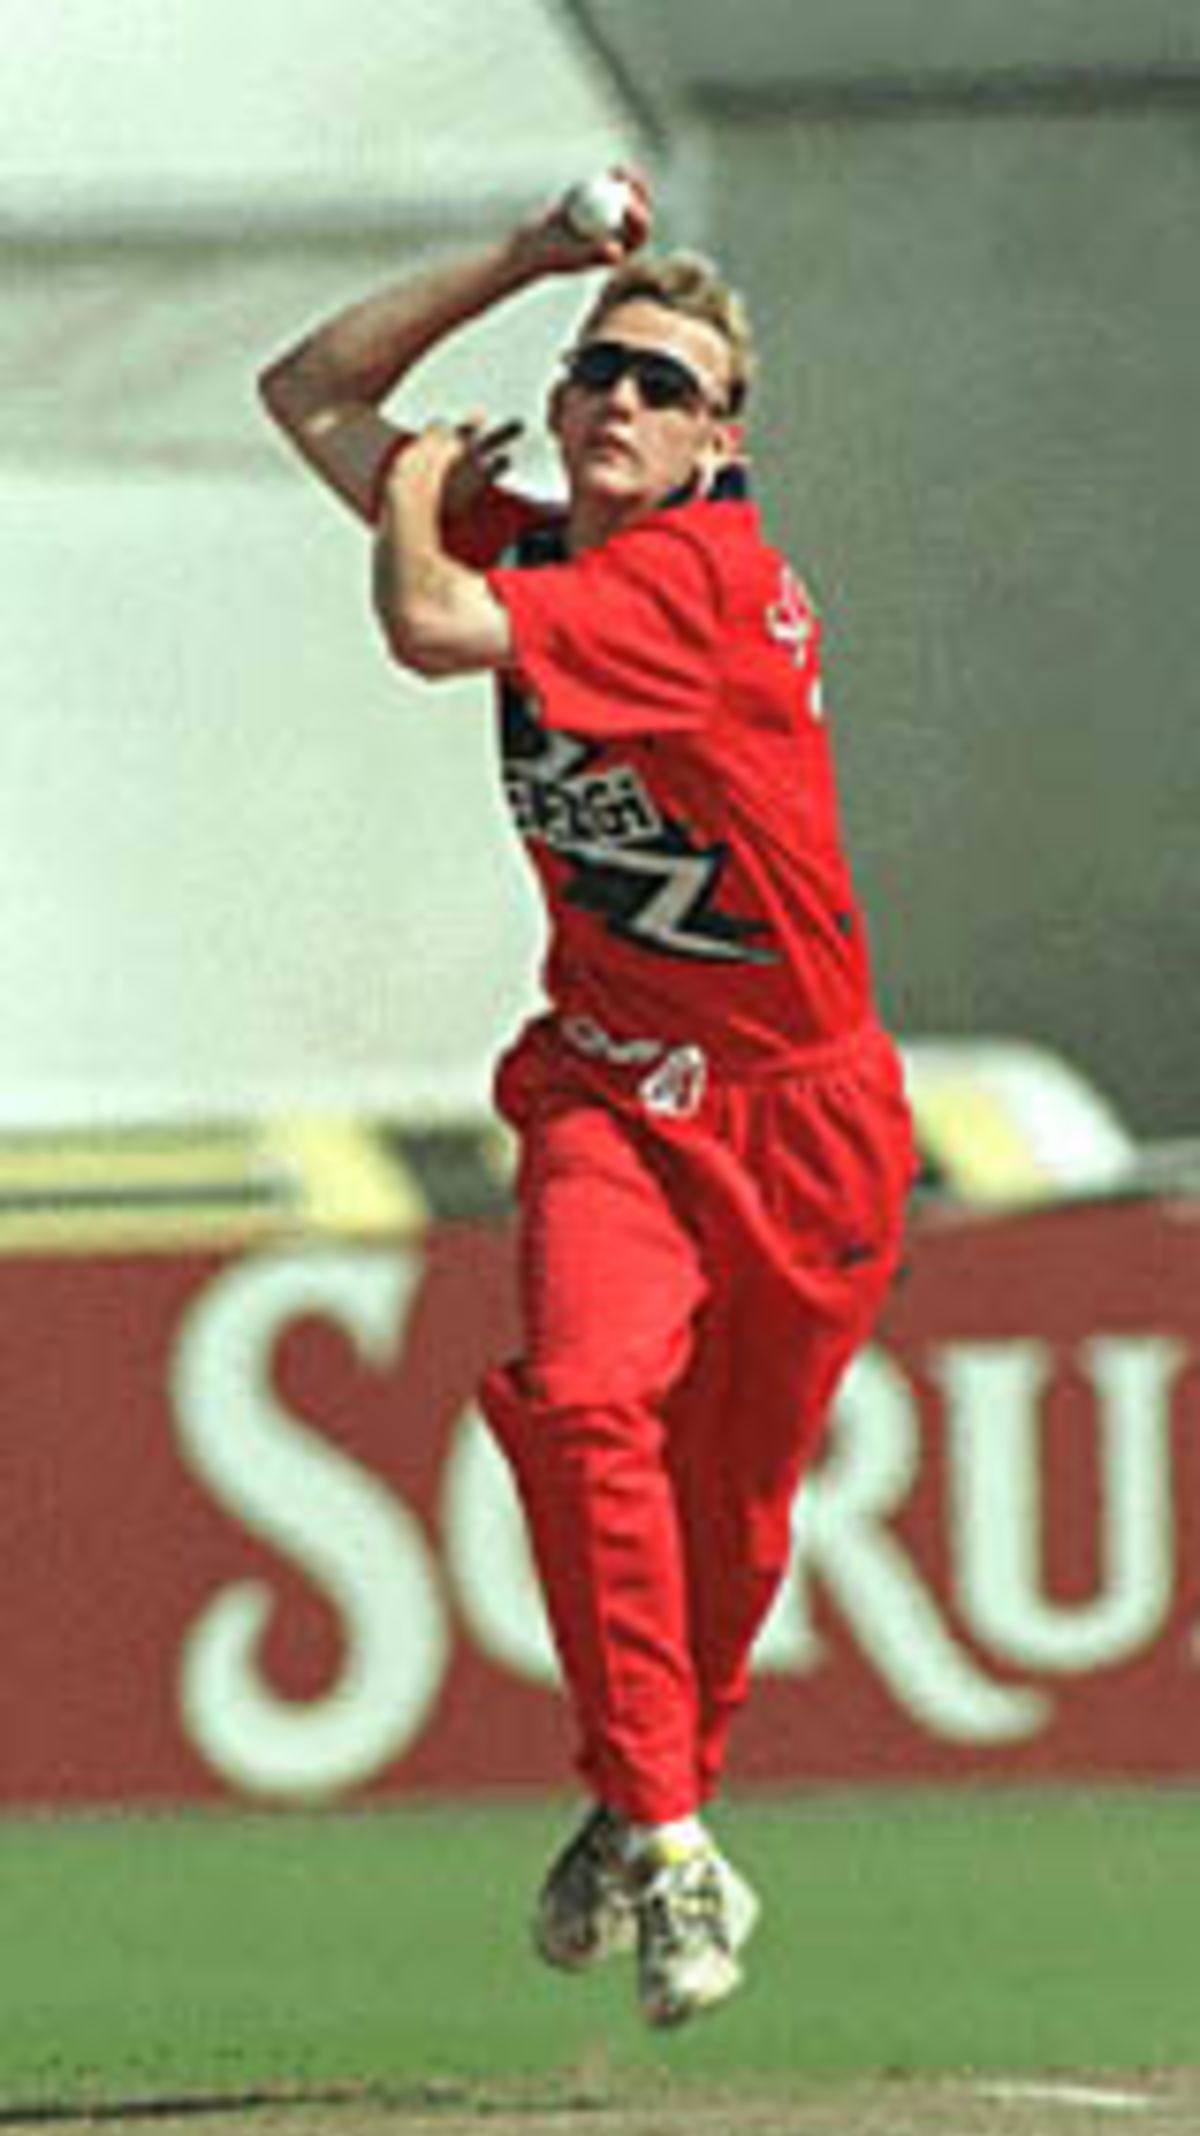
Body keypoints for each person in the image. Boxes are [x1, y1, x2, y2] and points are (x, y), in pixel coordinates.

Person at [258, 170, 915, 2029]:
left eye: (660, 384)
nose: (618, 402)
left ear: (721, 438)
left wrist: (409, 497)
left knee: (743, 1516)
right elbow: (305, 388)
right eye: (595, 371)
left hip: (803, 1117)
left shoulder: (707, 583)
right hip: (614, 1087)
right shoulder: (542, 536)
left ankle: (642, 1800)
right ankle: (673, 1835)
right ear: (565, 402)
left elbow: (429, 623)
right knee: (583, 1402)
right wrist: (530, 260)